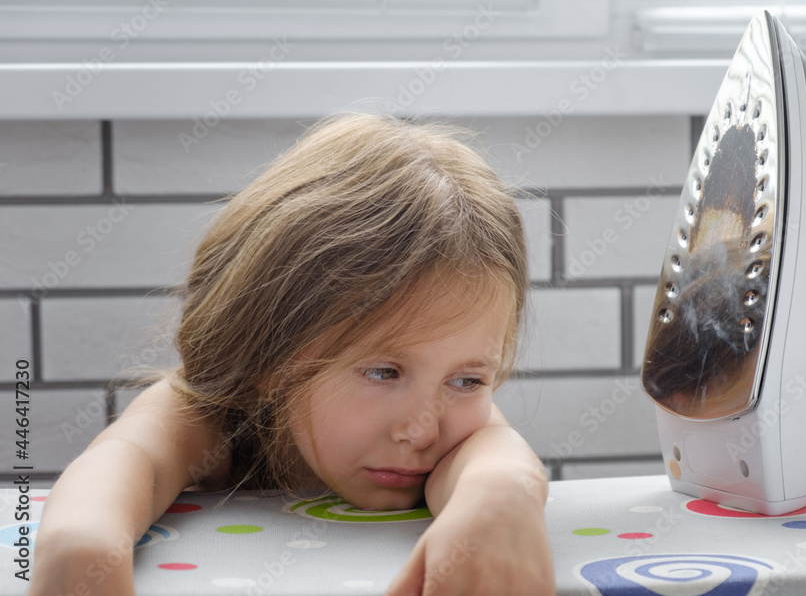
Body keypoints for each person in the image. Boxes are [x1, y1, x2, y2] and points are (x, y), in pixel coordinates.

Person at [28, 113, 555, 595]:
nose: (421, 430)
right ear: (269, 359)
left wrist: (503, 494)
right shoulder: (209, 418)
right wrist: (83, 545)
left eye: (467, 381)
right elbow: (127, 459)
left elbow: (498, 457)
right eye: (382, 371)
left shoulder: (455, 434)